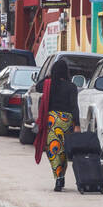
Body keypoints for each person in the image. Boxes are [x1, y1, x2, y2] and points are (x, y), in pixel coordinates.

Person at [35, 57, 80, 193]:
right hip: (67, 121)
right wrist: (77, 124)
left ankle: (58, 178)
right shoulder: (72, 87)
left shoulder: (49, 85)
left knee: (53, 150)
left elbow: (37, 86)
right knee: (64, 150)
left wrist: (49, 76)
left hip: (52, 121)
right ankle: (61, 176)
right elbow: (74, 107)